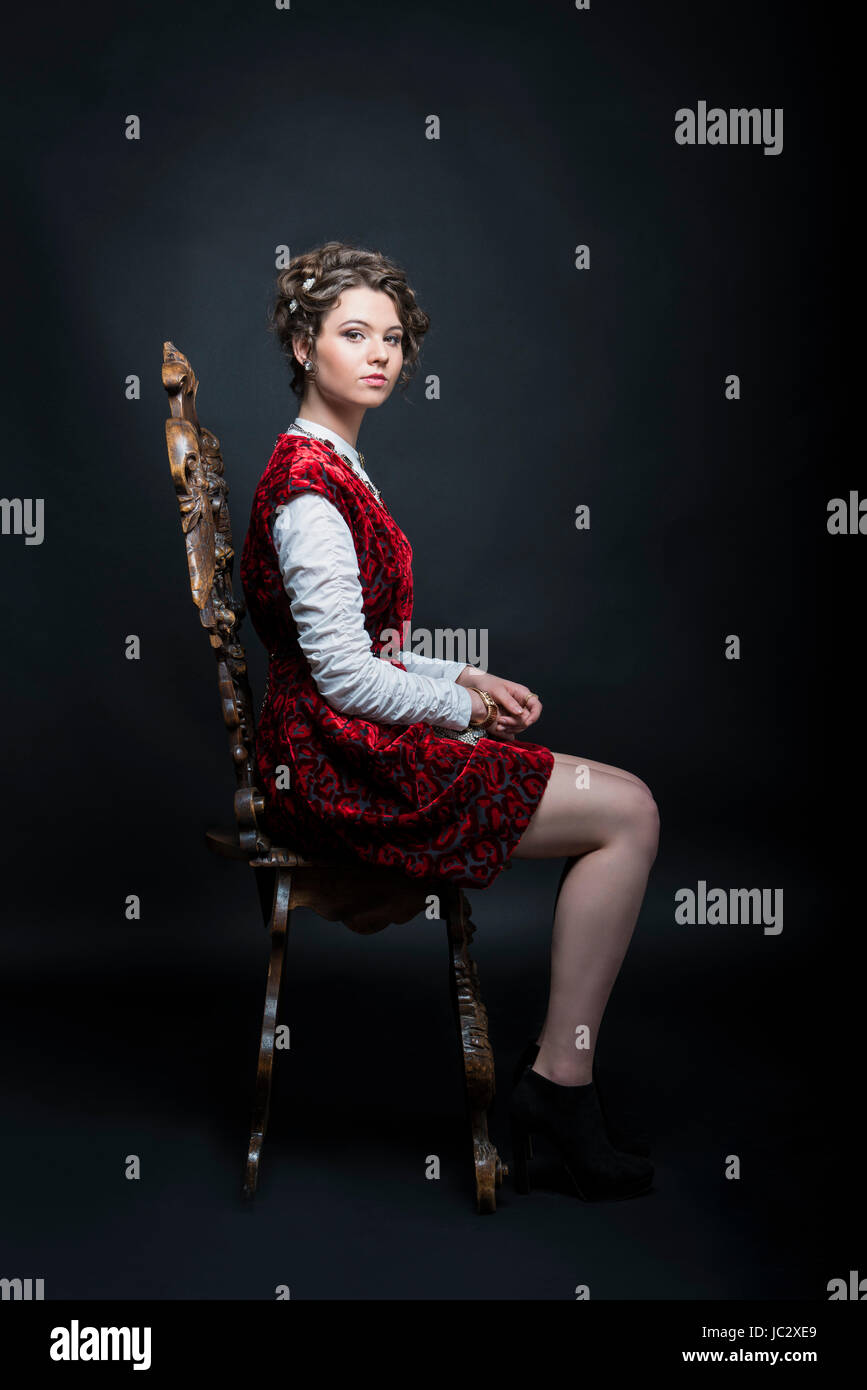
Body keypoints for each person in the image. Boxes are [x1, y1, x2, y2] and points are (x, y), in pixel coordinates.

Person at [240, 242, 660, 1202]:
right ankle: (562, 1088)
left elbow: (350, 651)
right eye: (353, 335)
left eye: (391, 338)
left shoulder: (328, 463)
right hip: (335, 769)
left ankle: (560, 1083)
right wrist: (457, 706)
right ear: (304, 346)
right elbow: (344, 680)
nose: (379, 355)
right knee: (627, 814)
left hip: (334, 746)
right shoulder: (309, 490)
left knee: (625, 806)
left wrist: (459, 673)